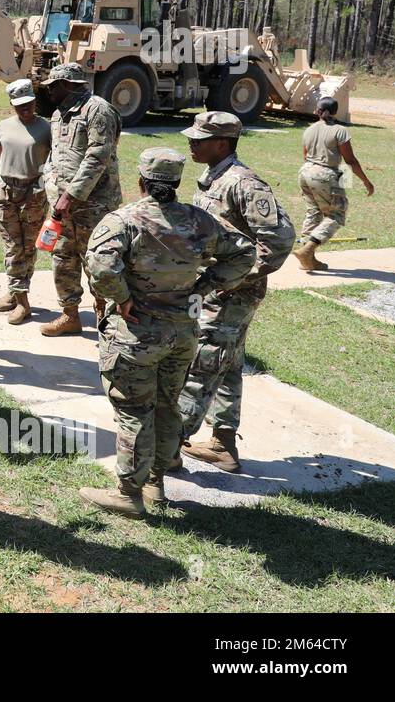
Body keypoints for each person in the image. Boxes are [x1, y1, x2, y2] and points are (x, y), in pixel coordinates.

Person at [81, 148, 254, 517]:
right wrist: (205, 286)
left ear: (141, 180)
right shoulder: (200, 221)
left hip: (136, 336)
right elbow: (243, 252)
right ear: (176, 183)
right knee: (165, 406)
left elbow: (100, 267)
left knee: (133, 411)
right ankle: (154, 484)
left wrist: (122, 297)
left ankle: (129, 493)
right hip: (181, 335)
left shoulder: (122, 221)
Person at [176, 112, 296, 473]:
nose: (192, 143)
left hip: (232, 293)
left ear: (223, 143)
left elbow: (279, 240)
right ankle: (223, 445)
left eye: (200, 138)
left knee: (203, 359)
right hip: (214, 287)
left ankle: (167, 445)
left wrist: (235, 278)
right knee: (226, 364)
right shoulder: (213, 177)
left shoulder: (245, 183)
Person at [40, 63, 122, 336]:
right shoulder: (57, 114)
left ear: (67, 83)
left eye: (53, 85)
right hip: (61, 207)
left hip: (93, 205)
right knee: (62, 258)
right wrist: (52, 185)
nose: (49, 90)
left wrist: (71, 195)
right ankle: (70, 314)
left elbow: (98, 156)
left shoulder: (97, 109)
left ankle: (105, 318)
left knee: (97, 260)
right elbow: (55, 155)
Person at [0, 78, 51, 325]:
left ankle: (17, 293)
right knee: (13, 247)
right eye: (19, 105)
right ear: (11, 104)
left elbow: (55, 161)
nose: (24, 108)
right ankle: (22, 302)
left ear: (35, 101)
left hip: (33, 195)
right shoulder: (3, 126)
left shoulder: (46, 129)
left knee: (28, 248)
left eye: (28, 103)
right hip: (6, 193)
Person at [294, 97, 373, 270]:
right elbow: (350, 160)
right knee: (337, 214)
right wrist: (366, 181)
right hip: (326, 174)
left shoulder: (309, 130)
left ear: (317, 111)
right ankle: (309, 248)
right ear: (335, 112)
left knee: (313, 212)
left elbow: (305, 156)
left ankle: (307, 258)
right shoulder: (340, 130)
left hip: (305, 172)